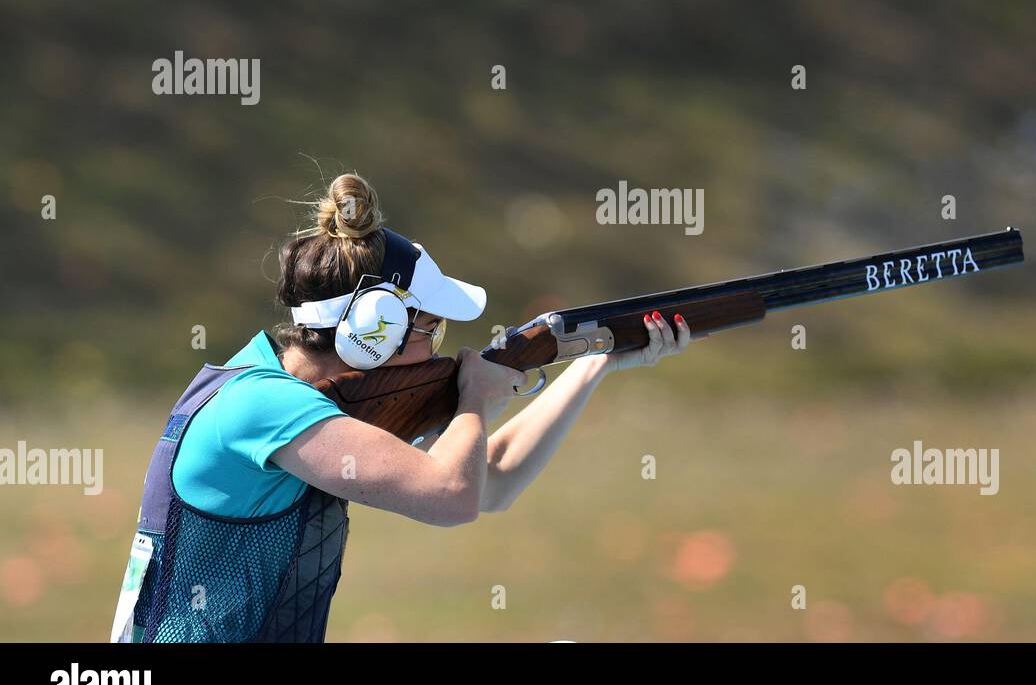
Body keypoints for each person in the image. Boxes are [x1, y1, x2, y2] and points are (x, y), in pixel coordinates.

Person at [112, 172, 691, 642]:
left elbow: (494, 480)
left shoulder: (279, 393)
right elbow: (452, 497)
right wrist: (474, 397)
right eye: (431, 328)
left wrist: (596, 362)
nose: (439, 345)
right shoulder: (264, 408)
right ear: (376, 330)